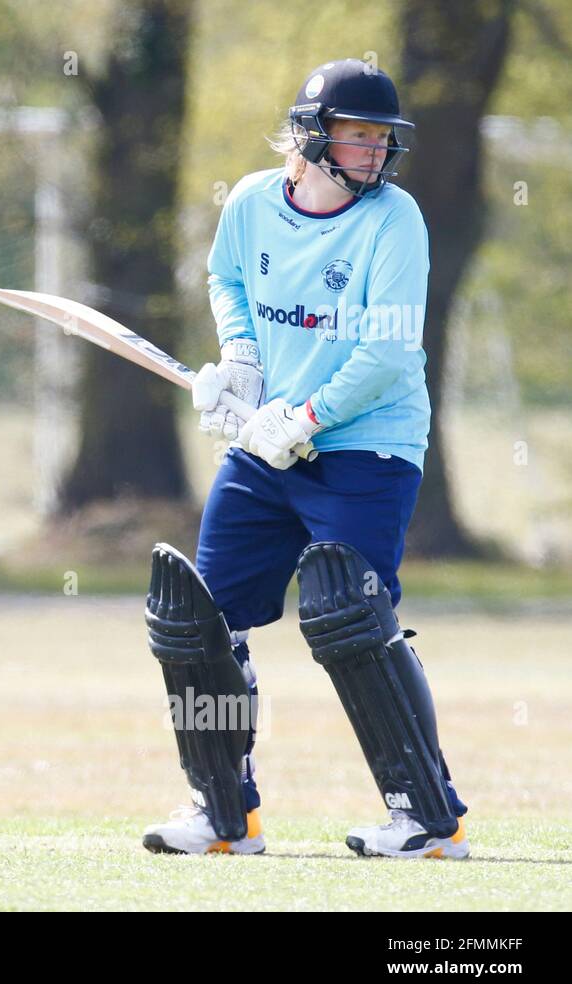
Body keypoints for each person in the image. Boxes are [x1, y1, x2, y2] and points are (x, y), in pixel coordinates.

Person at [141, 60, 469, 859]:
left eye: (381, 140)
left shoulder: (396, 221)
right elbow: (227, 279)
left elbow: (388, 355)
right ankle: (224, 811)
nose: (374, 154)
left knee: (350, 617)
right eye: (357, 137)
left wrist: (308, 417)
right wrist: (243, 360)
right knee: (200, 624)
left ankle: (427, 817)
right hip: (266, 445)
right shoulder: (253, 202)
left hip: (366, 445)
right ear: (313, 137)